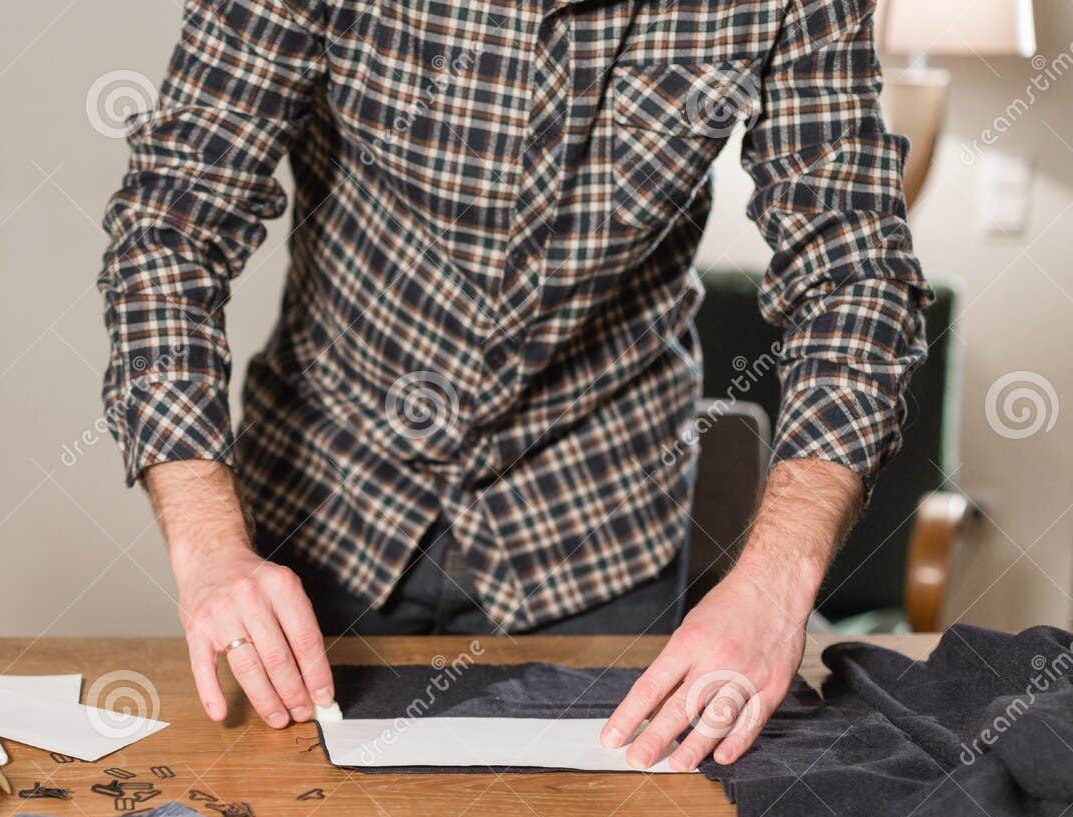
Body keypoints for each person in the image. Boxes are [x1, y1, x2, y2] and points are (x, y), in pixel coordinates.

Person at [98, 1, 930, 773]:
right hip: (330, 494)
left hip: (596, 522)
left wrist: (776, 585)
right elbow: (170, 227)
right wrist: (208, 543)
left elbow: (857, 277)